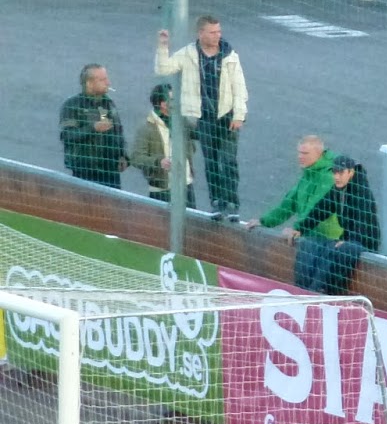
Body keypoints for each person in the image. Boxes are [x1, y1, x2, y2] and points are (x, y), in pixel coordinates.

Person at [156, 15, 248, 218]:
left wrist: (239, 115)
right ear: (201, 33)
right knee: (211, 161)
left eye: (219, 31)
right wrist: (163, 47)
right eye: (213, 32)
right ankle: (217, 202)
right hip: (204, 117)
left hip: (227, 116)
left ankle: (232, 204)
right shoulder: (189, 54)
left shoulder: (230, 55)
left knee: (229, 160)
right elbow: (164, 69)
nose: (218, 36)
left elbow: (239, 87)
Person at [294, 155, 381, 294]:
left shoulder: (362, 192)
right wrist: (300, 229)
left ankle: (323, 290)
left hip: (363, 242)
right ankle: (302, 288)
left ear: (351, 172)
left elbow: (363, 220)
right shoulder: (338, 190)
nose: (336, 177)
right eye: (334, 172)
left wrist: (349, 240)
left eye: (340, 172)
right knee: (310, 245)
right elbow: (321, 209)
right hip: (346, 238)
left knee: (337, 251)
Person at [244, 136, 337, 250]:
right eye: (299, 153)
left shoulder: (329, 176)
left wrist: (298, 228)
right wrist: (264, 221)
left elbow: (315, 207)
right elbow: (289, 203)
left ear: (319, 154)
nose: (300, 157)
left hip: (328, 241)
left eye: (305, 153)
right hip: (310, 237)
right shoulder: (309, 174)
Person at [60, 64, 126, 187]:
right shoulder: (72, 105)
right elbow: (67, 136)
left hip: (111, 171)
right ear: (89, 83)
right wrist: (93, 128)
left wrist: (123, 156)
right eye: (102, 80)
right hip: (85, 171)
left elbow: (119, 132)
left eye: (106, 78)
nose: (108, 83)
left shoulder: (109, 104)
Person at [129, 83, 194, 204]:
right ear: (163, 104)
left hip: (186, 185)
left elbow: (199, 134)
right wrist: (158, 162)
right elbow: (136, 158)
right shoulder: (146, 128)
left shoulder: (182, 122)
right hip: (162, 191)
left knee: (191, 222)